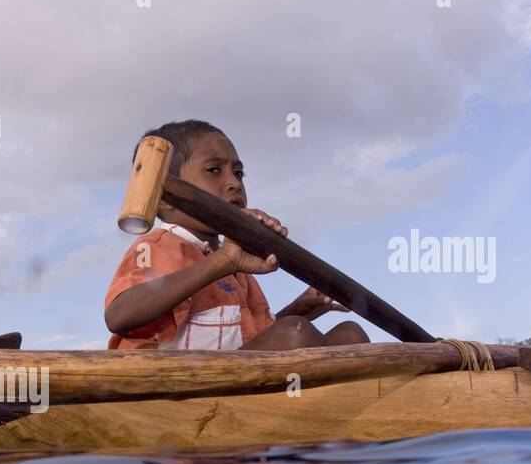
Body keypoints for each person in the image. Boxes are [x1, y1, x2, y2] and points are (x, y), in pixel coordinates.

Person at [104, 120, 369, 351]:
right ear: (165, 199)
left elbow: (250, 343)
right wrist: (222, 262)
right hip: (176, 393)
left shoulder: (237, 265)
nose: (234, 183)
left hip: (233, 380)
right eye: (214, 170)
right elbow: (119, 315)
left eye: (238, 172)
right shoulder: (157, 247)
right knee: (294, 334)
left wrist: (300, 310)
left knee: (350, 335)